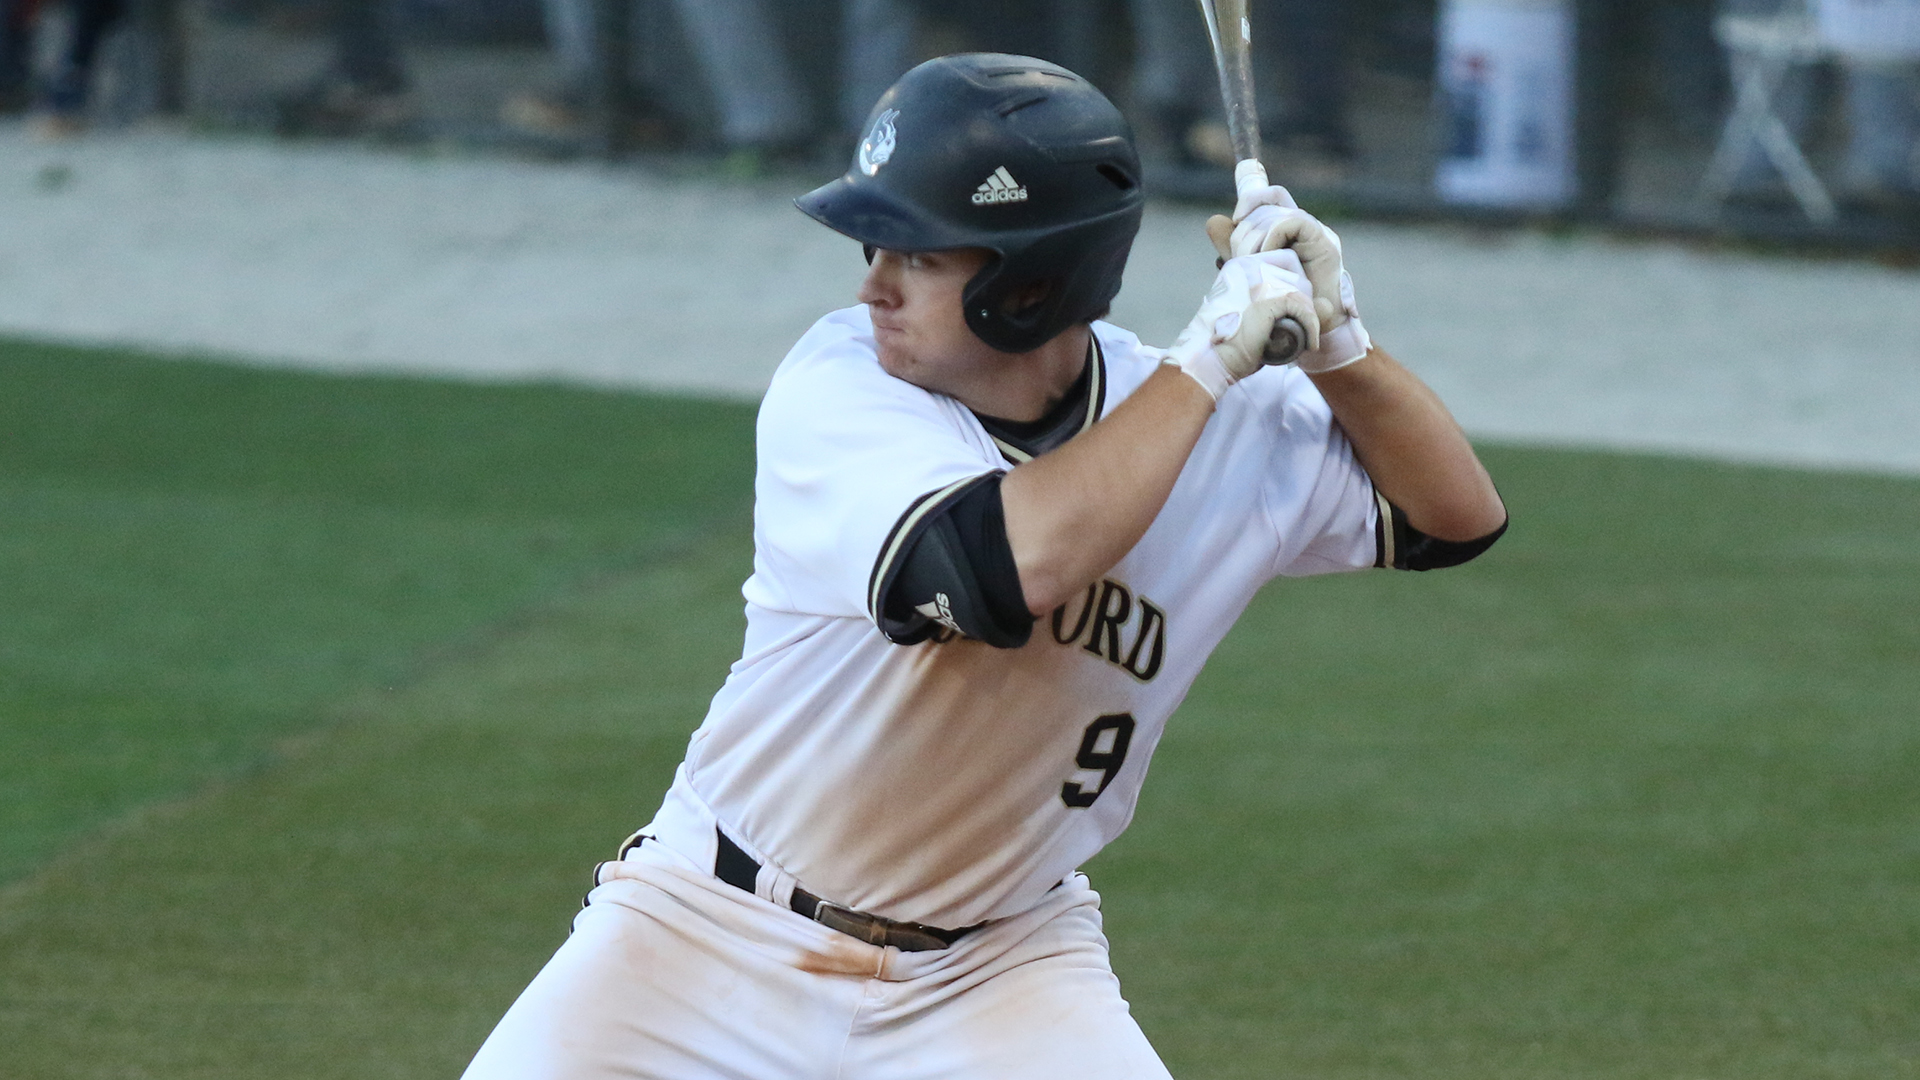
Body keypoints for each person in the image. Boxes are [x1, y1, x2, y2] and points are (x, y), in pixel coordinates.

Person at [461, 52, 1507, 1080]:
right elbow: (1004, 570)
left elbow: (1454, 518)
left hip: (1001, 969)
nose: (874, 285)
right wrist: (1209, 361)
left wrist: (1342, 349)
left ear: (1030, 283)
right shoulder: (841, 387)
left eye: (917, 255)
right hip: (707, 936)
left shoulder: (1211, 418)